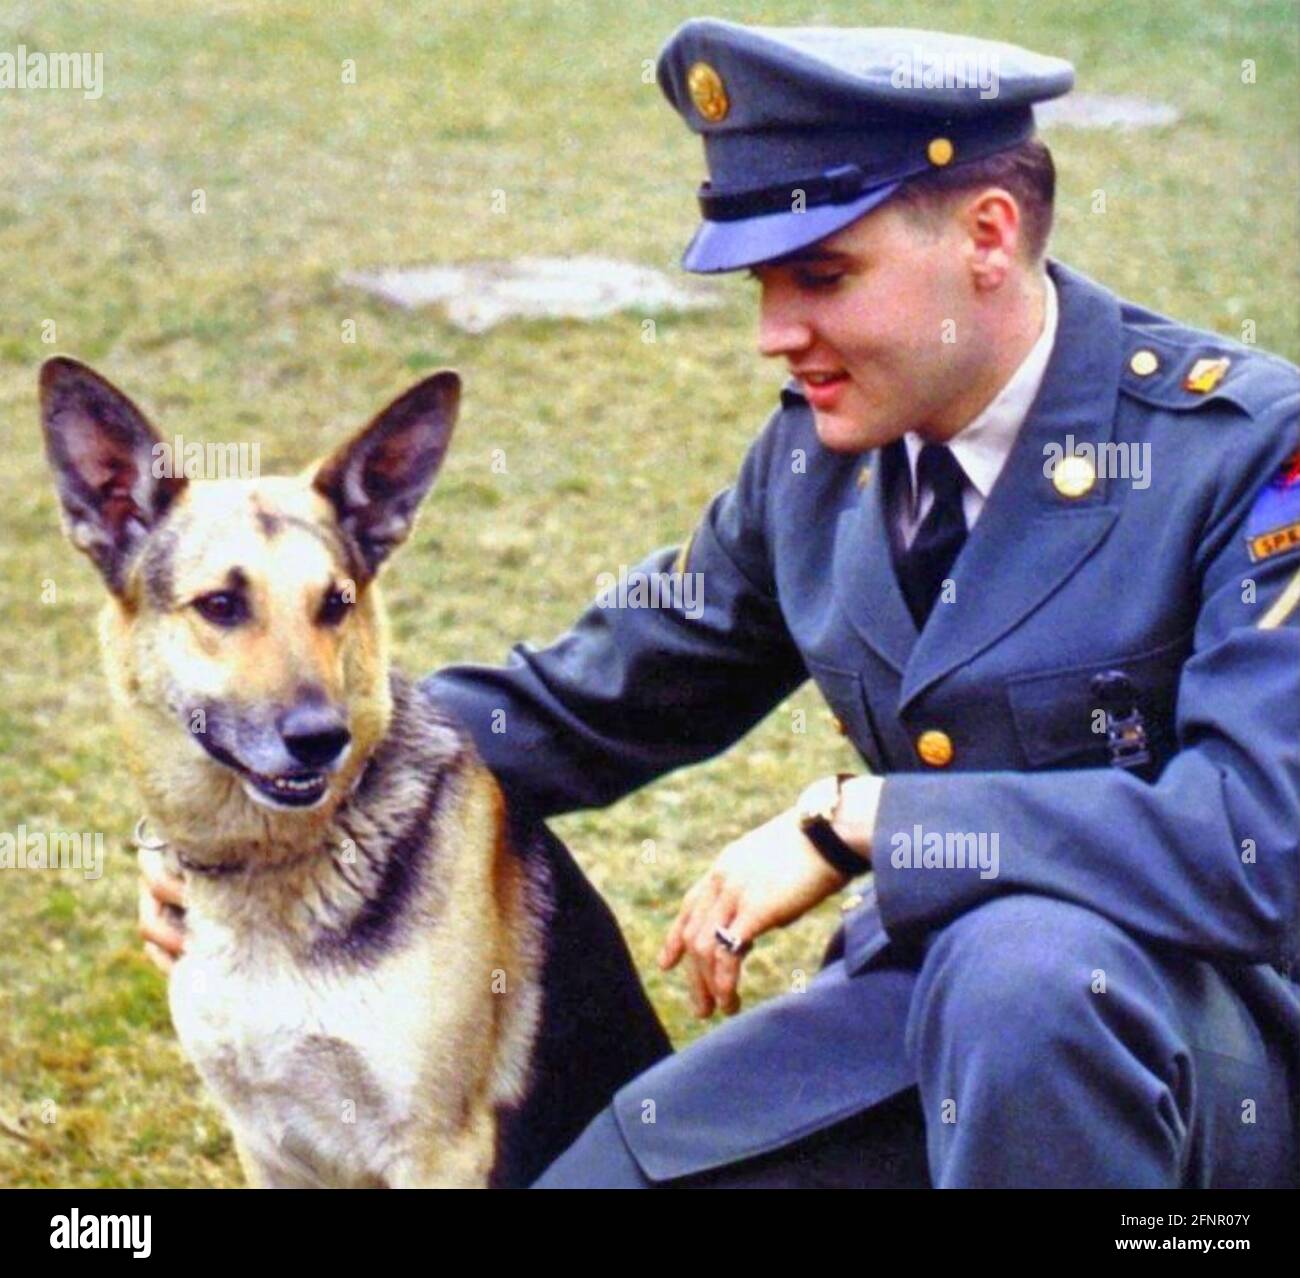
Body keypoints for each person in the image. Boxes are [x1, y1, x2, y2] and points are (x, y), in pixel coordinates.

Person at [141, 20, 1300, 1188]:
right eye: (761, 284)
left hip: (1194, 1042)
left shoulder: (1242, 451)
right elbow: (593, 697)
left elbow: (1253, 843)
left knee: (1027, 978)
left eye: (822, 276)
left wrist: (870, 821)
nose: (772, 336)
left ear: (986, 239)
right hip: (926, 1007)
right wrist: (265, 805)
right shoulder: (822, 458)